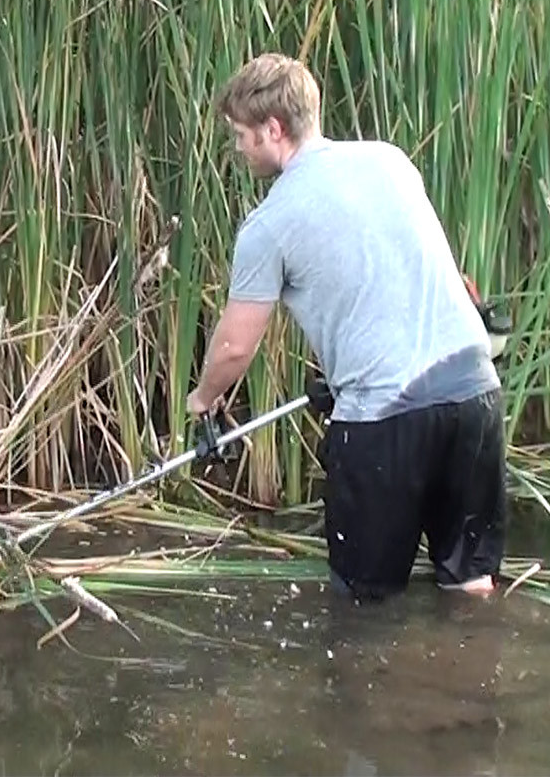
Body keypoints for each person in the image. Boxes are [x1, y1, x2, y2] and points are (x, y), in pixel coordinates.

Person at [186, 53, 506, 601]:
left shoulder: (269, 225)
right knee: (470, 584)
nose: (238, 148)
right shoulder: (391, 162)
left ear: (272, 129)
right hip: (476, 397)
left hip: (384, 421)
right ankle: (473, 655)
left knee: (365, 606)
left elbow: (236, 347)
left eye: (240, 135)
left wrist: (203, 399)